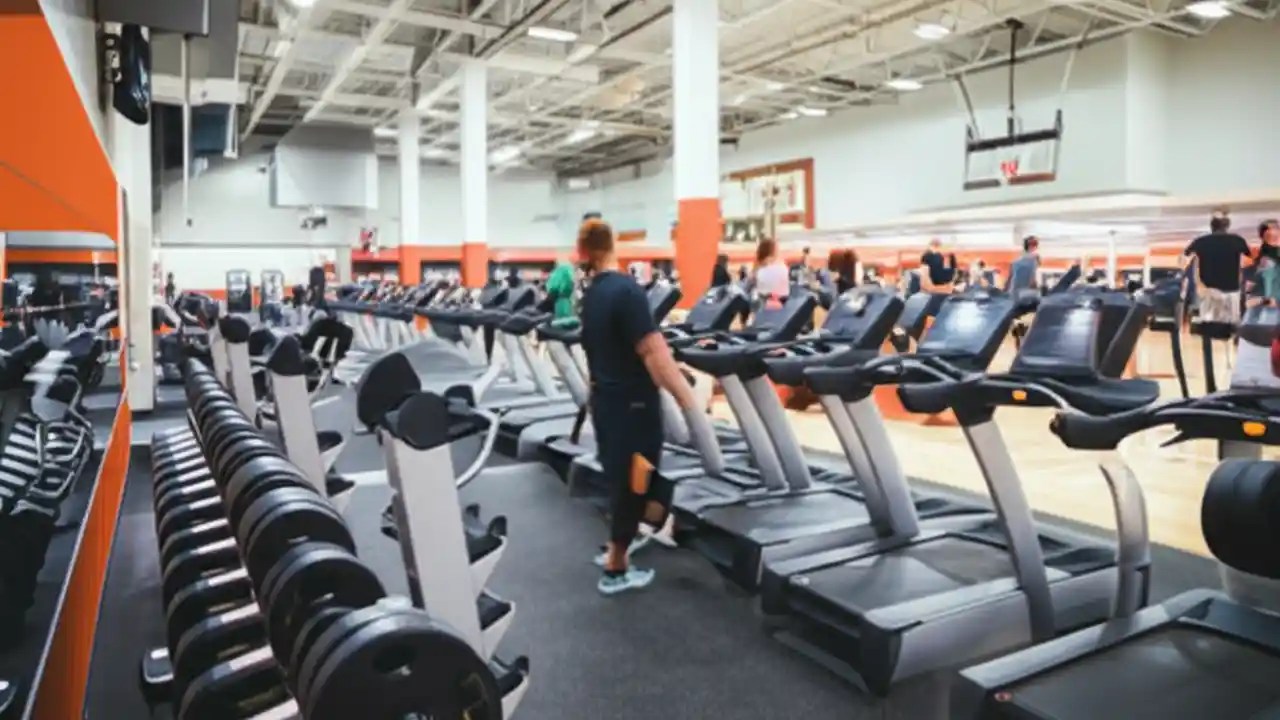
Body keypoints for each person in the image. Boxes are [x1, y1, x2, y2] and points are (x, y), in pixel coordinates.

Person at [577, 219, 698, 595]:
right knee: (636, 483)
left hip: (606, 402)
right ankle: (617, 565)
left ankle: (621, 542)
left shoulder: (594, 293)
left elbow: (613, 347)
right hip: (633, 405)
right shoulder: (627, 291)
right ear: (614, 244)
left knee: (620, 479)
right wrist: (688, 400)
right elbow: (653, 352)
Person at [1184, 212, 1251, 326]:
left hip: (1209, 288)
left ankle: (1209, 341)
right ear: (1227, 227)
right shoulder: (1237, 240)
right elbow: (1249, 256)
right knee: (1232, 324)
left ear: (1211, 227)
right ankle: (1230, 342)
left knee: (1208, 322)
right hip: (1231, 287)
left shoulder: (1201, 241)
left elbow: (1185, 256)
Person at [1246, 220, 1280, 306]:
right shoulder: (1266, 259)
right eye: (1275, 228)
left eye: (1277, 228)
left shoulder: (1263, 256)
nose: (1277, 231)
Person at [755, 238, 789, 308]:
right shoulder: (780, 266)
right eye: (777, 250)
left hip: (763, 303)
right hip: (779, 303)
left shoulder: (758, 269)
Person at [546, 254, 577, 323]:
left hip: (559, 303)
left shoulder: (557, 272)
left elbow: (552, 288)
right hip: (566, 303)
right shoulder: (567, 270)